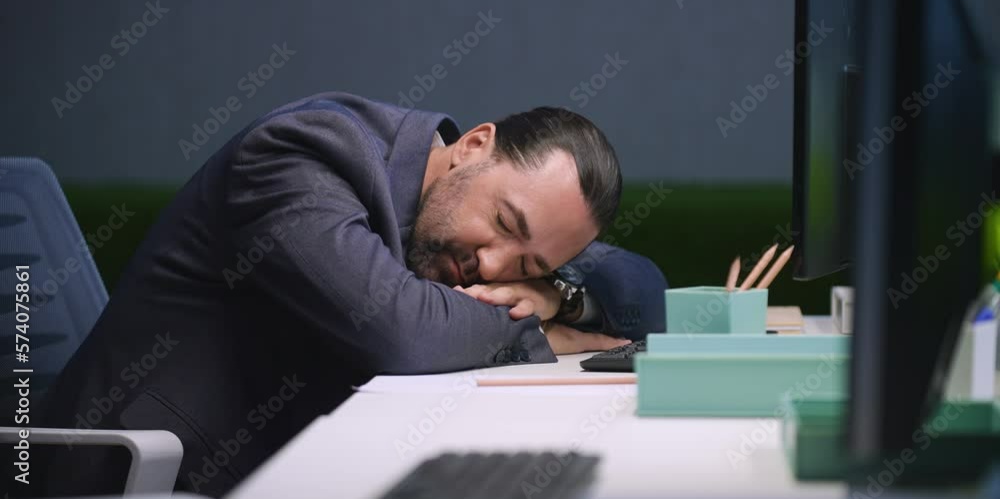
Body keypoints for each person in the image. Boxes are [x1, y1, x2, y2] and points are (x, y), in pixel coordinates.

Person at [38, 92, 666, 496]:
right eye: (504, 225)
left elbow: (642, 287)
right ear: (475, 145)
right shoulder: (305, 156)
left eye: (526, 263)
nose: (492, 266)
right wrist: (534, 327)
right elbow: (399, 328)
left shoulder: (481, 221)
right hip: (151, 477)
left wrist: (559, 296)